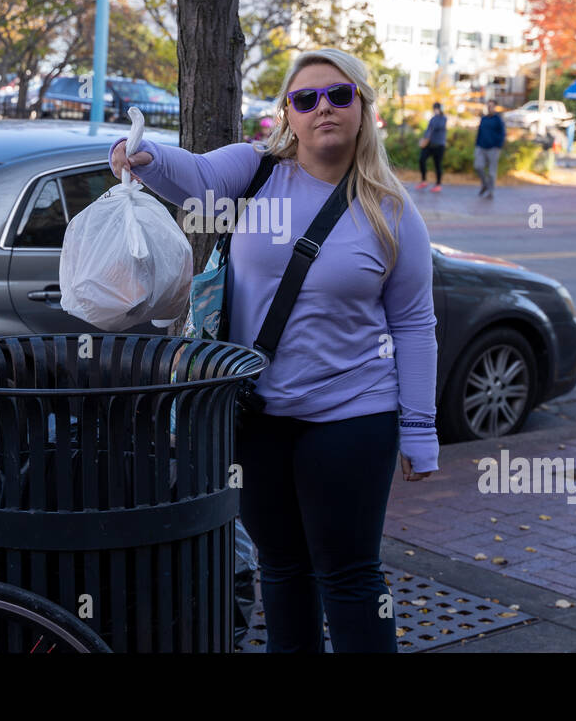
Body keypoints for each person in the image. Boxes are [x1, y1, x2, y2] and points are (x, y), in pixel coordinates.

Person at [110, 47, 439, 653]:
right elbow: (194, 177)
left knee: (348, 576)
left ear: (363, 106)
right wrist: (144, 155)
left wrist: (420, 429)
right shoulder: (255, 171)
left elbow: (415, 325)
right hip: (257, 415)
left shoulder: (391, 210)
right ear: (287, 112)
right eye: (305, 98)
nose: (323, 108)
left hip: (354, 415)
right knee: (282, 569)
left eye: (340, 95)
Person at [474, 101, 506, 198]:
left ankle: (490, 192)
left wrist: (498, 146)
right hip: (481, 147)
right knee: (478, 166)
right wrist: (477, 144)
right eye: (488, 106)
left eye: (491, 106)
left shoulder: (498, 120)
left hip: (493, 148)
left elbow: (502, 134)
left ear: (495, 107)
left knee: (492, 172)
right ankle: (485, 184)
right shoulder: (483, 119)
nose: (489, 108)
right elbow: (479, 132)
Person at [416, 101, 448, 192]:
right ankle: (424, 180)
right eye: (434, 109)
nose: (435, 110)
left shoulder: (443, 118)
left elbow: (438, 126)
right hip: (429, 144)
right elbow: (428, 130)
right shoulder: (433, 118)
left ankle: (438, 184)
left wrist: (438, 116)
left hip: (439, 145)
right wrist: (423, 140)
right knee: (421, 159)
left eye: (437, 109)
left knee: (437, 164)